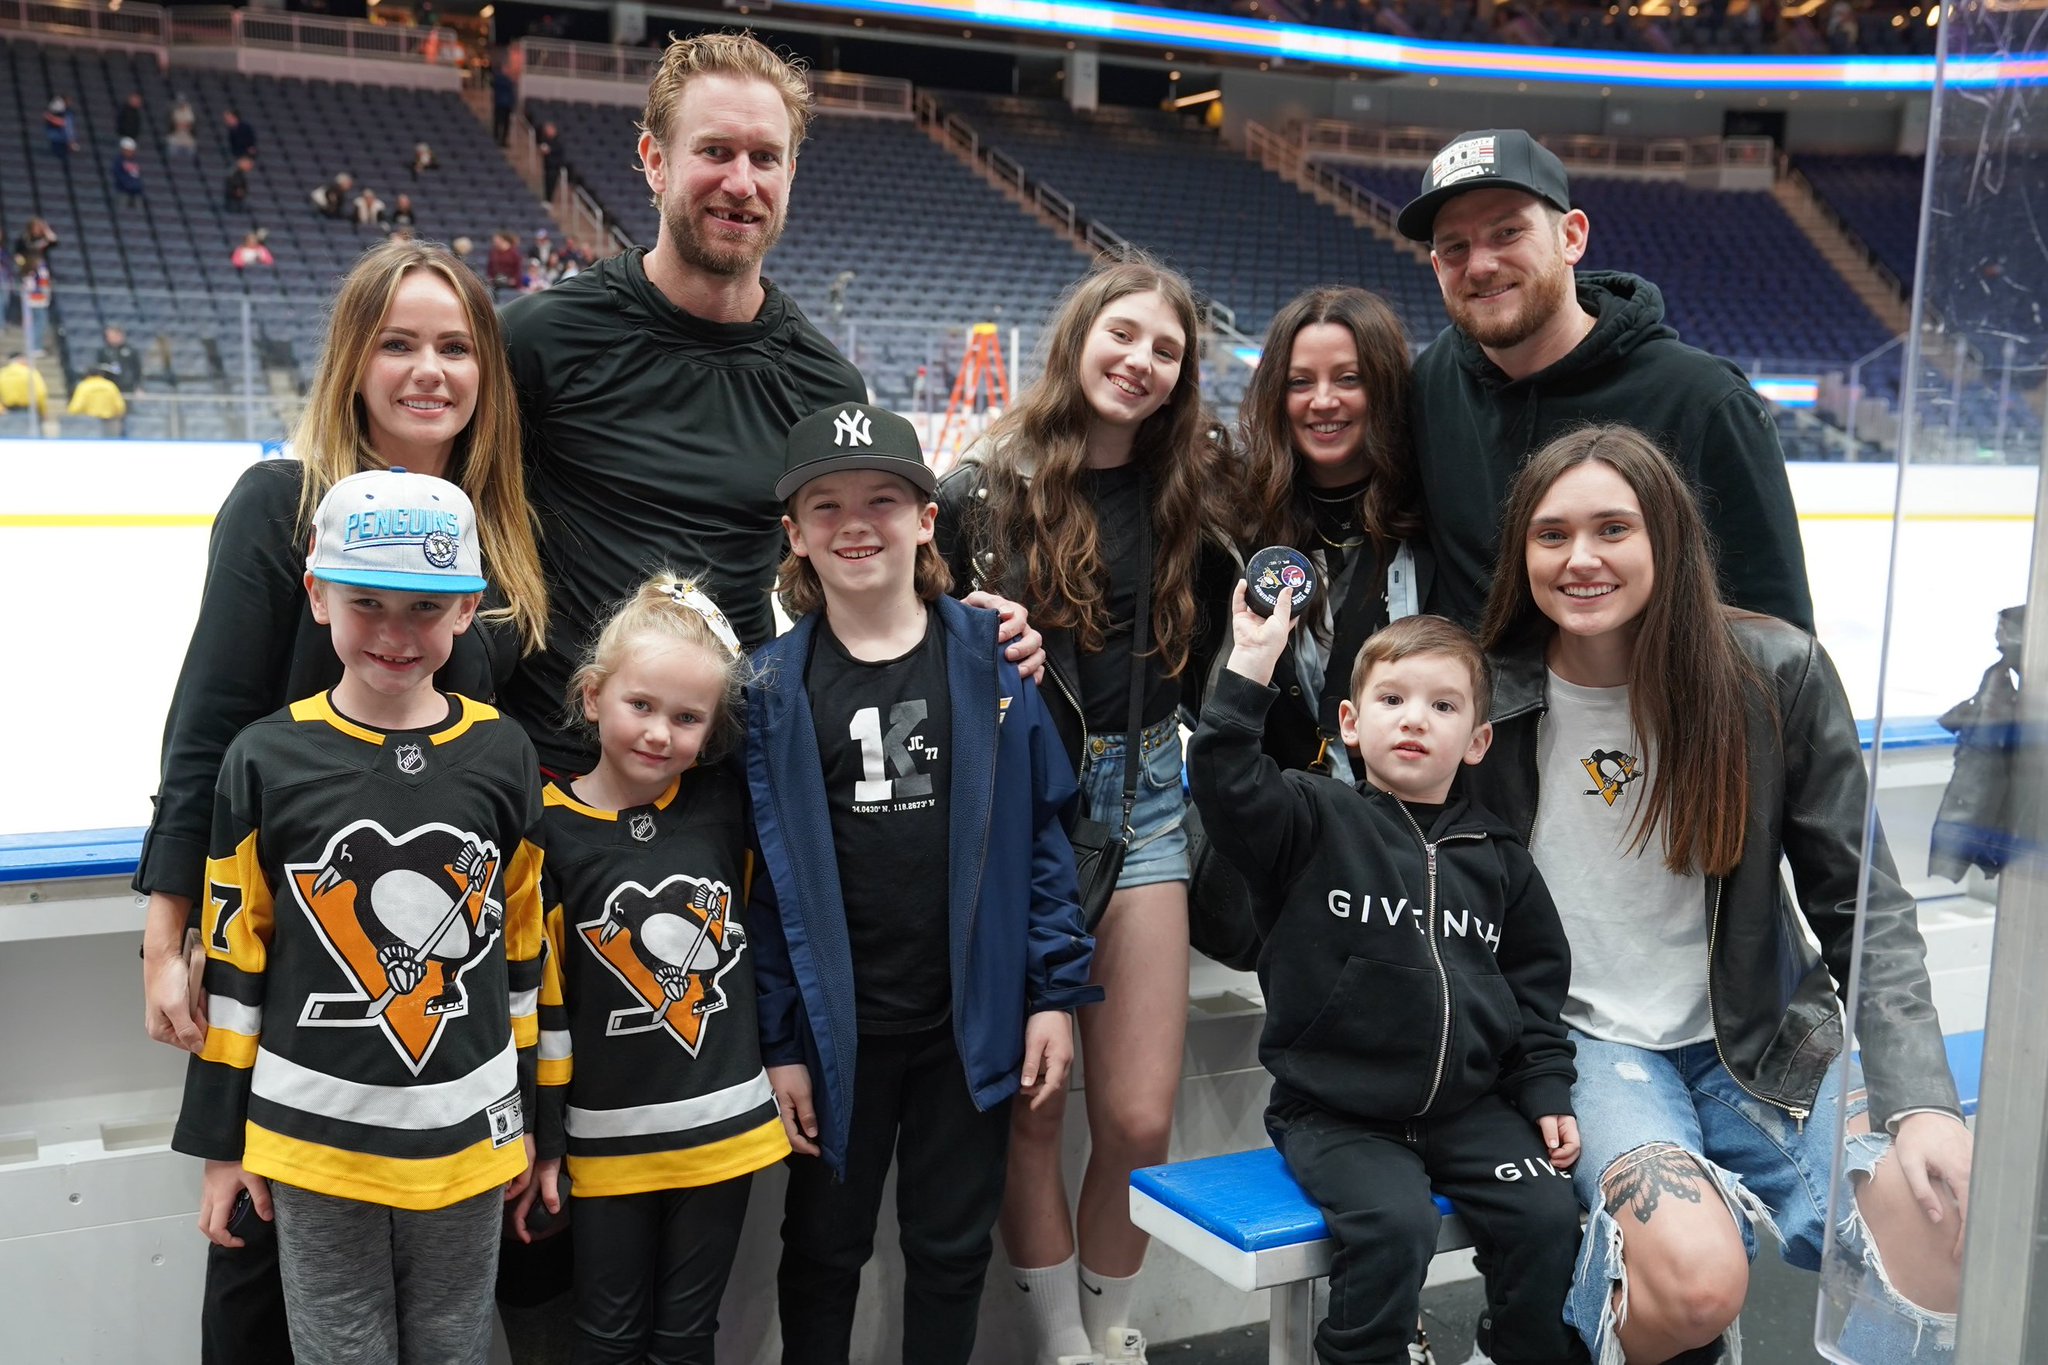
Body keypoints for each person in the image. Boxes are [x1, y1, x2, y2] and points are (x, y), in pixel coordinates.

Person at [1470, 425, 1972, 1364]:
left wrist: (1923, 1099)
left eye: (1612, 528)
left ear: (1666, 535)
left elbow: (1862, 905)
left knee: (1944, 1218)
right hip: (1586, 1041)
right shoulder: (1480, 692)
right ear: (1520, 551)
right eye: (1551, 534)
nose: (1581, 558)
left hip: (1764, 1032)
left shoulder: (1774, 673)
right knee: (1697, 1278)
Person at [135, 237, 549, 1365]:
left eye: (457, 346)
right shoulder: (283, 504)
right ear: (352, 361)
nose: (430, 370)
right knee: (268, 1266)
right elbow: (207, 734)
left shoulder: (493, 527)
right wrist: (166, 935)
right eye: (399, 342)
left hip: (436, 1013)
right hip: (299, 959)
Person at [502, 32, 1039, 778]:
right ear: (656, 162)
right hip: (554, 773)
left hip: (731, 776)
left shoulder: (826, 388)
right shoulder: (538, 340)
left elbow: (852, 578)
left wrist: (973, 628)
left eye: (764, 158)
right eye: (715, 151)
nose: (741, 181)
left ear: (790, 171)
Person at [747, 402, 1100, 1365]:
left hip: (964, 1026)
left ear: (927, 518)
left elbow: (1040, 843)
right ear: (795, 533)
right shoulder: (769, 691)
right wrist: (781, 1041)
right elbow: (766, 891)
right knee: (822, 1249)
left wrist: (1051, 997)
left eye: (883, 499)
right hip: (834, 1038)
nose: (855, 523)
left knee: (949, 1248)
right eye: (826, 505)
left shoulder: (994, 660)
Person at [935, 256, 1238, 1364]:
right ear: (1076, 338)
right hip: (1022, 809)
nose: (1141, 362)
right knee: (1032, 1111)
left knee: (1138, 1121)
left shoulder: (1193, 499)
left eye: (1165, 350)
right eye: (1124, 335)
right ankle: (1064, 1347)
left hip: (1151, 798)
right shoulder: (980, 489)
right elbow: (844, 603)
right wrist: (957, 621)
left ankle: (1113, 1340)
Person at [1190, 605, 1585, 1365]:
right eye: (1392, 699)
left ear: (1477, 741)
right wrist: (1251, 663)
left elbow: (1532, 990)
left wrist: (1544, 1089)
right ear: (1350, 720)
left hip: (1467, 1109)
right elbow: (1224, 779)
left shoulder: (1499, 858)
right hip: (1337, 1114)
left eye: (1443, 706)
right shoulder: (1311, 819)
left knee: (1544, 1215)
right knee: (1393, 1228)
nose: (1415, 720)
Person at [512, 573, 788, 1363]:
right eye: (642, 705)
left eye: (688, 716)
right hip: (606, 1140)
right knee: (606, 1337)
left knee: (684, 1338)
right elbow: (544, 1003)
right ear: (593, 695)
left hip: (722, 1134)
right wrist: (547, 1141)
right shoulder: (546, 826)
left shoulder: (722, 805)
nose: (661, 733)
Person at [1397, 129, 1813, 634]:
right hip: (1469, 708)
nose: (1481, 265)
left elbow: (1775, 635)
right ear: (1438, 266)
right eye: (1456, 247)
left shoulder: (1701, 399)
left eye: (1507, 233)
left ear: (1571, 237)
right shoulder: (1432, 380)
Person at [1239, 285, 1428, 777]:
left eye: (1349, 378)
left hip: (1404, 814)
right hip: (1280, 811)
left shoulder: (1434, 512)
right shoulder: (1238, 513)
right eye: (1300, 382)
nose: (1323, 401)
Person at [0, 351, 48, 435]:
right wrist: (43, 411)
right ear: (20, 359)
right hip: (29, 411)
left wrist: (1, 410)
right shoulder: (30, 372)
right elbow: (41, 393)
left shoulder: (2, 373)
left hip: (7, 412)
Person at [93, 324, 144, 395]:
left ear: (119, 335)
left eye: (111, 336)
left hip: (127, 386)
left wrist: (139, 387)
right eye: (108, 336)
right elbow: (99, 368)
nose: (108, 338)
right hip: (109, 386)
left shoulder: (131, 350)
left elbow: (137, 369)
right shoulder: (103, 351)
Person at [485, 229, 522, 296]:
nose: (494, 242)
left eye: (496, 240)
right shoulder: (493, 253)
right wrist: (490, 277)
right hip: (496, 282)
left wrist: (514, 279)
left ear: (503, 240)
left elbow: (518, 269)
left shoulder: (514, 253)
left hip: (510, 283)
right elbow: (490, 267)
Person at [112, 137, 146, 207]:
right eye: (129, 150)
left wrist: (137, 186)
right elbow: (118, 174)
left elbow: (139, 175)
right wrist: (128, 184)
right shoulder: (118, 161)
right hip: (123, 190)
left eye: (132, 150)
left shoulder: (136, 161)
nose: (131, 152)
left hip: (136, 191)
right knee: (122, 209)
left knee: (139, 209)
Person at [491, 61, 517, 145]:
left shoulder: (509, 80)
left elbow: (512, 93)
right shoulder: (499, 78)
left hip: (507, 105)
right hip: (500, 104)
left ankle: (503, 140)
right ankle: (496, 138)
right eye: (506, 69)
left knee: (506, 124)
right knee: (498, 122)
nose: (508, 70)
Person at [43, 96, 76, 160]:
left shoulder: (68, 114)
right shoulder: (57, 107)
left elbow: (64, 123)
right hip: (56, 138)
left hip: (62, 138)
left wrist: (50, 118)